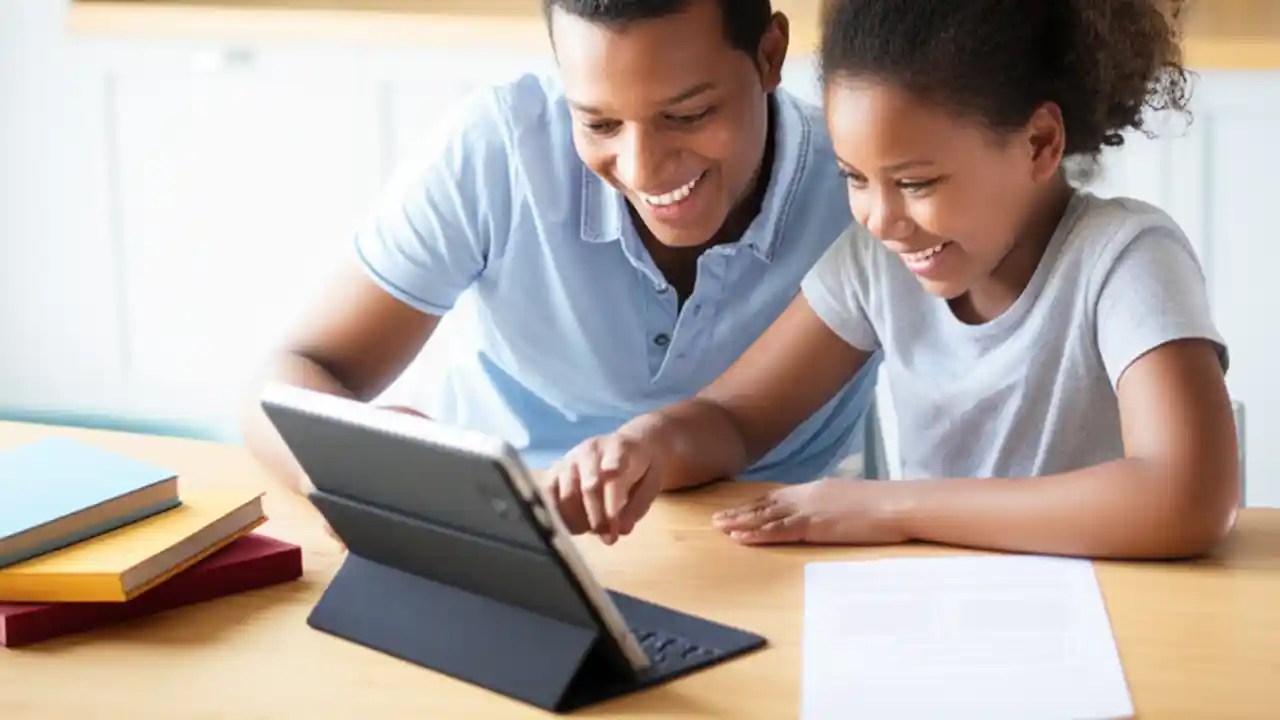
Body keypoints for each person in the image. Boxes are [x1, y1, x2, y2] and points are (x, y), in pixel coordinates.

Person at [546, 0, 1241, 559]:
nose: (881, 219)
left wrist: (892, 505)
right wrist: (643, 446)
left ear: (1039, 144)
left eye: (915, 182)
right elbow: (734, 418)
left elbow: (1188, 494)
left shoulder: (1125, 258)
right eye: (854, 178)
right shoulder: (879, 267)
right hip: (938, 618)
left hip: (1116, 616)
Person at [240, 0, 878, 512]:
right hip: (502, 525)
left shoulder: (867, 182)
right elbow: (287, 378)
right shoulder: (499, 147)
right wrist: (377, 474)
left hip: (769, 524)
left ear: (770, 56)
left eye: (688, 115)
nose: (642, 168)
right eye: (599, 124)